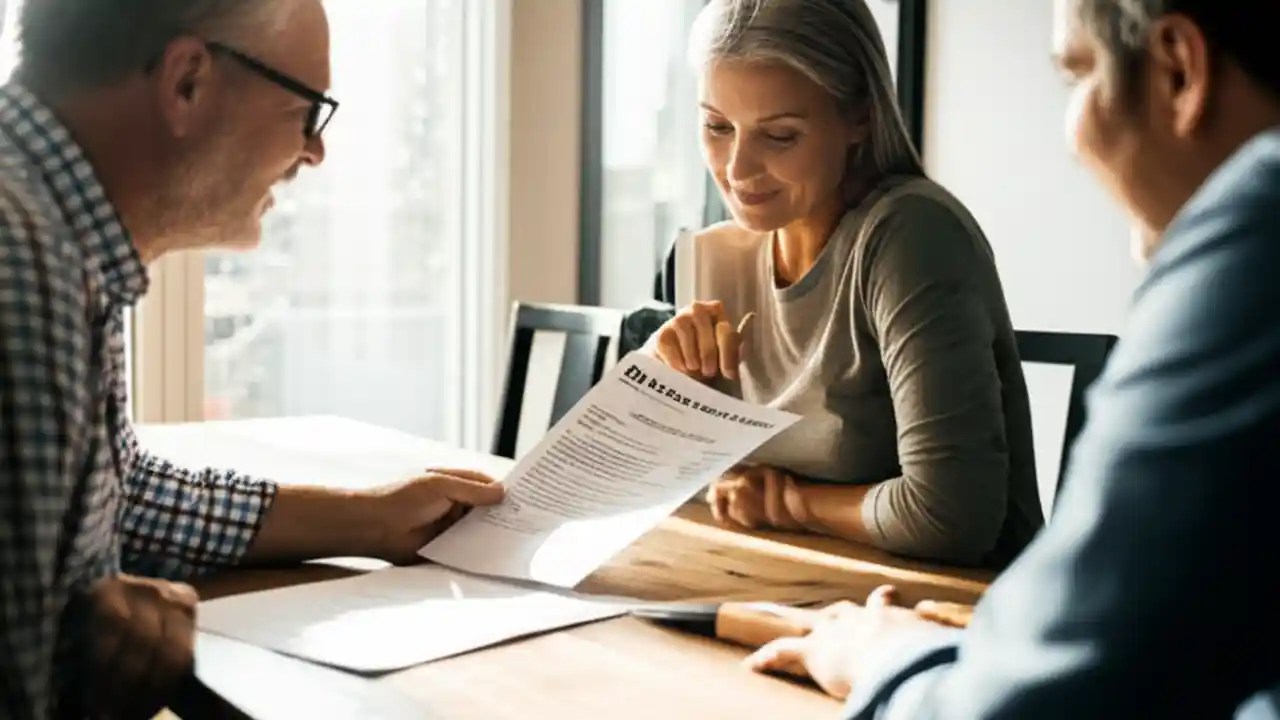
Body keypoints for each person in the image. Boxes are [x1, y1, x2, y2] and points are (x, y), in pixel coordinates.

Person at [745, 1, 1280, 717]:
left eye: (1077, 76)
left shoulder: (1257, 247)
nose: (738, 166)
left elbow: (1048, 696)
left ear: (1179, 69)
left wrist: (883, 658)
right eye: (714, 125)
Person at [0, 2, 504, 718]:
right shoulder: (22, 269)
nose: (315, 152)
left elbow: (119, 493)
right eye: (309, 112)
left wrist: (373, 520)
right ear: (188, 83)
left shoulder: (56, 235)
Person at [648, 0, 1042, 566]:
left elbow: (951, 517)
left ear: (859, 116)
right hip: (792, 588)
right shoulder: (722, 255)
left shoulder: (911, 235)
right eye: (716, 126)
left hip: (951, 614)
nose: (736, 170)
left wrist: (786, 504)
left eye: (780, 136)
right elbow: (686, 498)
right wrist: (664, 384)